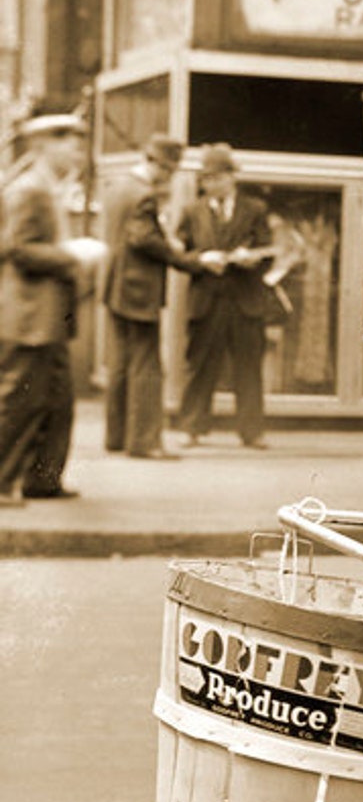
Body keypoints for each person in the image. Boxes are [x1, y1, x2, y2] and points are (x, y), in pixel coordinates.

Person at [101, 134, 216, 458]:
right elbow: (144, 240)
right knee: (147, 365)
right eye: (168, 170)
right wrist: (193, 260)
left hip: (115, 285)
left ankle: (117, 436)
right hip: (138, 290)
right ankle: (145, 442)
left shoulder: (117, 186)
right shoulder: (144, 196)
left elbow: (132, 236)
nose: (167, 178)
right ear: (156, 164)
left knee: (121, 363)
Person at [0, 106, 92, 504]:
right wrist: (72, 255)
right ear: (42, 145)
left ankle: (43, 480)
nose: (77, 152)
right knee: (20, 401)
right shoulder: (30, 189)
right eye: (68, 144)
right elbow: (17, 249)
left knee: (58, 402)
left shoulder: (46, 186)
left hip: (47, 316)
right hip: (29, 315)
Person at [175, 143, 273, 446]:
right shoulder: (191, 212)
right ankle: (192, 427)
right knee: (200, 365)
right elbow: (179, 254)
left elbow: (269, 253)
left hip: (245, 300)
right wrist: (202, 260)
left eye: (217, 177)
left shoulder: (255, 210)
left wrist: (250, 257)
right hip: (207, 300)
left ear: (232, 177)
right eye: (206, 179)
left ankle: (252, 432)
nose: (211, 184)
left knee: (248, 368)